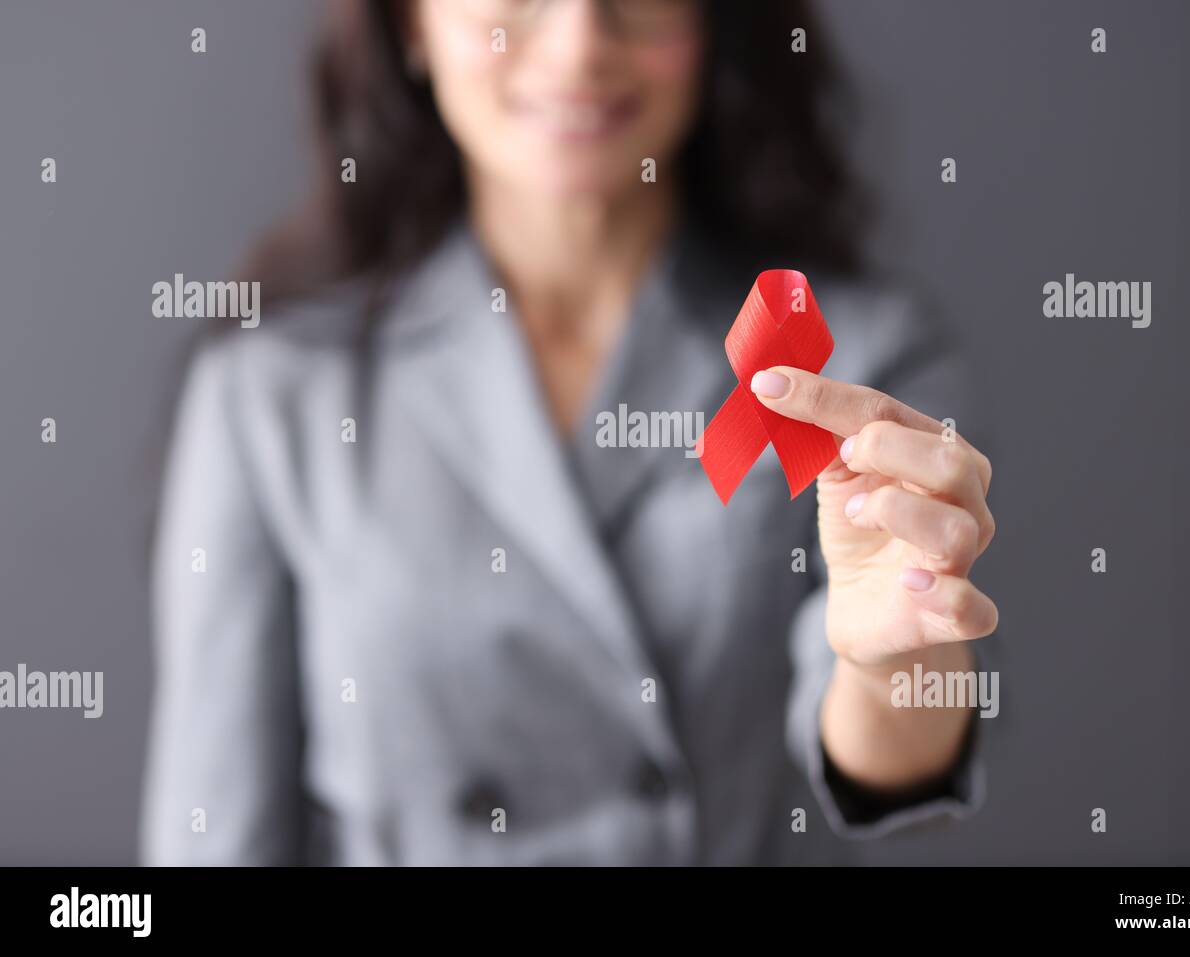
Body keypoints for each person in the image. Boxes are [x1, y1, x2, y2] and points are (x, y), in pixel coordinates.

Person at [140, 0, 998, 866]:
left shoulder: (836, 359)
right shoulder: (274, 396)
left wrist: (894, 657)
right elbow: (214, 837)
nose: (581, 43)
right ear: (410, 25)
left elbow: (897, 780)